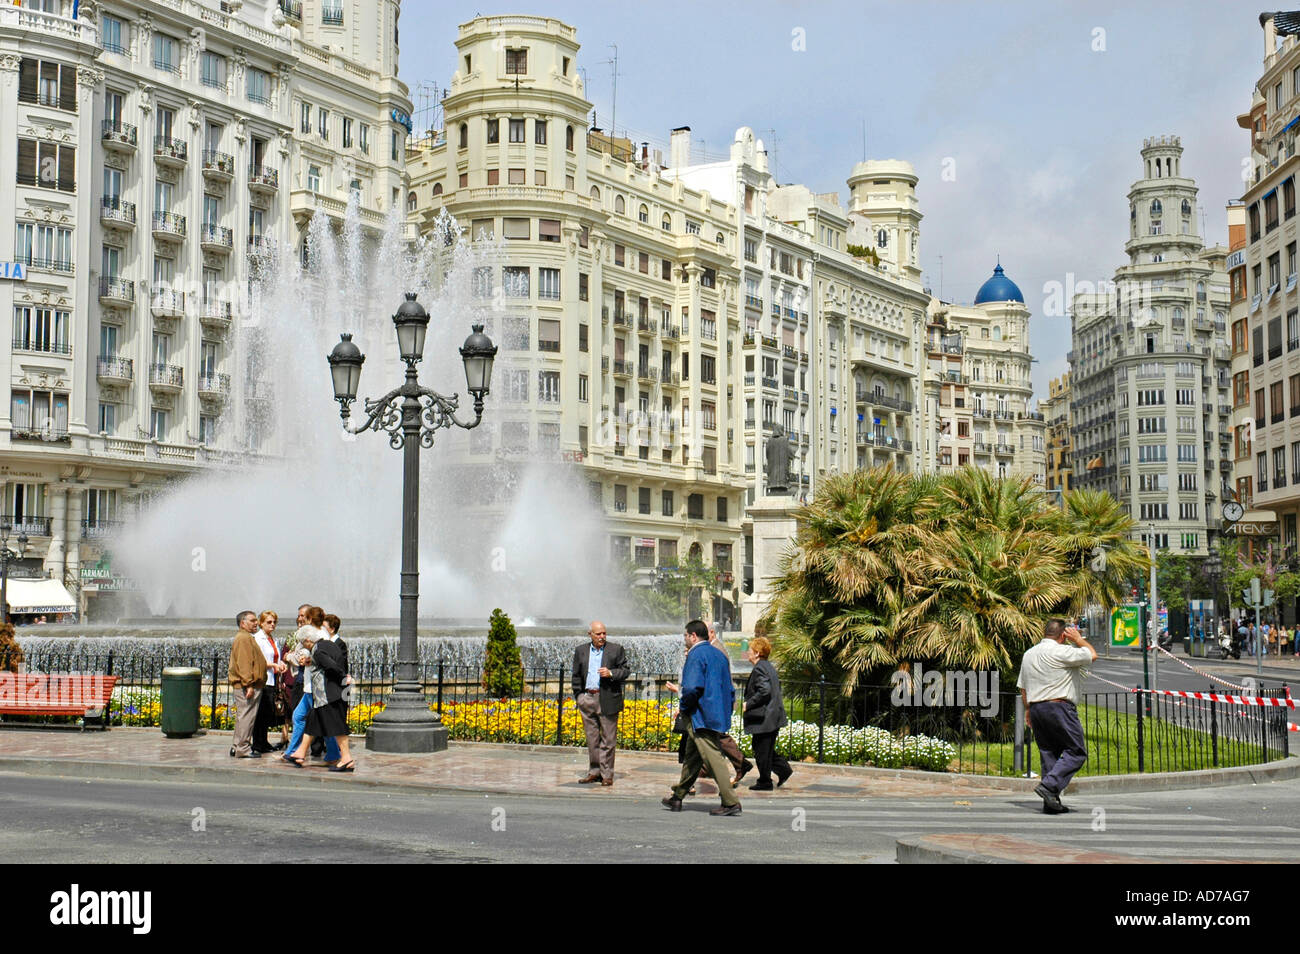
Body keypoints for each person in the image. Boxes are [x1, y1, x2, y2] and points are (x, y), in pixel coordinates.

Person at [662, 619, 742, 816]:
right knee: (692, 757)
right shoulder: (719, 654)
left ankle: (730, 802)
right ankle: (678, 797)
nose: (684, 640)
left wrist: (684, 706)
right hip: (716, 713)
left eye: (685, 636)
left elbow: (692, 687)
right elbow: (730, 688)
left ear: (693, 636)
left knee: (713, 757)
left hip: (700, 715)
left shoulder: (696, 654)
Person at [1017, 618, 1097, 814]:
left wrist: (1028, 709)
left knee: (1048, 753)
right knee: (1076, 751)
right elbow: (1092, 655)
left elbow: (1023, 686)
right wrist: (1078, 639)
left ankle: (1051, 802)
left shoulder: (1029, 654)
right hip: (1059, 707)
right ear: (1063, 635)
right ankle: (1049, 786)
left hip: (1036, 708)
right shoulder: (1061, 651)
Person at [287, 616, 355, 772]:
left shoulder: (317, 651)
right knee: (312, 722)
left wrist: (343, 678)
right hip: (328, 695)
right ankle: (299, 753)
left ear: (308, 641)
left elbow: (330, 666)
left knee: (337, 727)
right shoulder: (329, 645)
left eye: (303, 643)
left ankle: (346, 759)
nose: (303, 646)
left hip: (327, 695)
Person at [570, 620, 627, 786]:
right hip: (587, 698)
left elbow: (625, 671)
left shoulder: (616, 649)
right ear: (590, 634)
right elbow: (576, 675)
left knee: (609, 739)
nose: (602, 636)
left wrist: (610, 673)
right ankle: (594, 772)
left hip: (607, 698)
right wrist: (579, 696)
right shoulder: (581, 650)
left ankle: (607, 774)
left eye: (604, 633)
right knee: (592, 738)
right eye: (598, 634)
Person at [282, 606, 338, 765]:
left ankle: (295, 752)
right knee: (306, 717)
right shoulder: (320, 632)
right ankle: (332, 753)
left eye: (305, 617)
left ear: (310, 619)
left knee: (307, 718)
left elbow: (319, 655)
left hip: (314, 685)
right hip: (310, 685)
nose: (302, 620)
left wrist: (307, 660)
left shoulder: (317, 634)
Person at [742, 636, 792, 790]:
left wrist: (748, 704)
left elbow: (765, 690)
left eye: (750, 650)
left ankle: (765, 781)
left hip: (766, 718)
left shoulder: (760, 668)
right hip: (772, 716)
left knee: (761, 749)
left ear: (757, 653)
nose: (747, 653)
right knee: (765, 748)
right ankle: (783, 770)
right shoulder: (767, 666)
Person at [228, 610, 268, 759]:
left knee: (242, 717)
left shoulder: (244, 637)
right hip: (247, 686)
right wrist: (248, 684)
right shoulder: (244, 638)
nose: (256, 623)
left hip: (245, 685)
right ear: (243, 623)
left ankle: (236, 746)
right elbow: (244, 663)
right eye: (252, 620)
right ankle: (243, 748)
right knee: (247, 717)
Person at [252, 611, 287, 753]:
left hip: (272, 680)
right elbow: (258, 660)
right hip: (263, 679)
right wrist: (273, 665)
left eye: (274, 622)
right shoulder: (258, 639)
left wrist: (281, 663)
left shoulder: (272, 638)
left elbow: (275, 657)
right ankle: (257, 743)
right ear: (261, 623)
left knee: (266, 713)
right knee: (260, 713)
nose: (272, 625)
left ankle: (264, 741)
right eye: (269, 622)